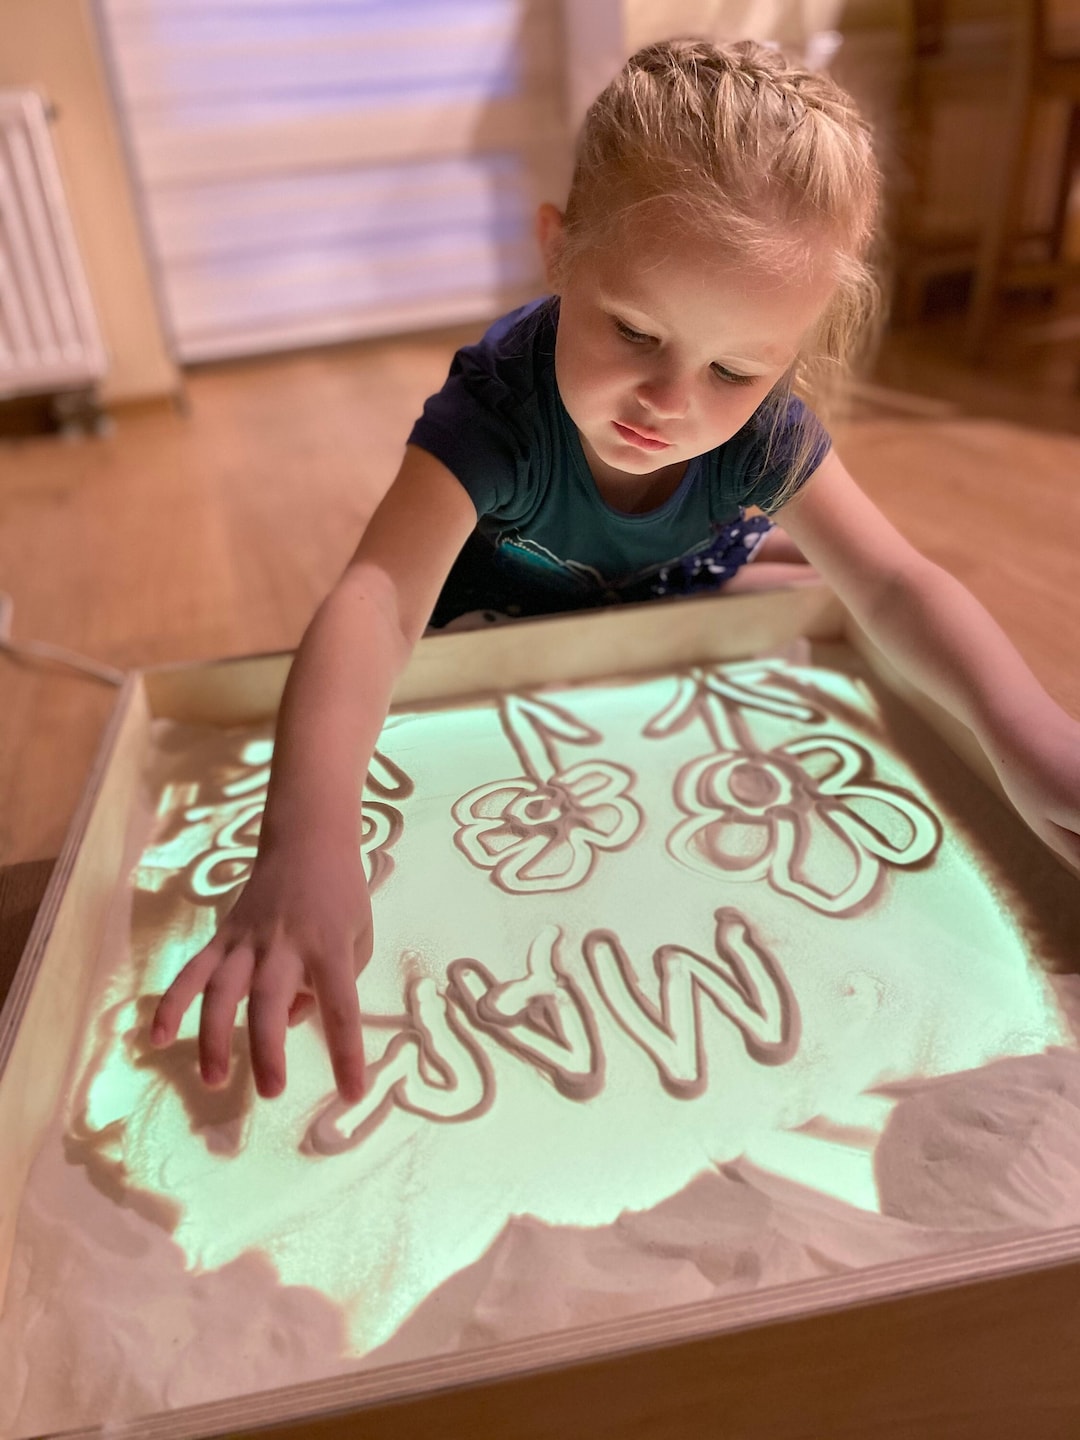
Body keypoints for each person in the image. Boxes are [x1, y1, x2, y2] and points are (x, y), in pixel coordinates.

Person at [150, 38, 1080, 1105]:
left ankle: (742, 548)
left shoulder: (762, 433)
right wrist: (306, 841)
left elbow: (897, 582)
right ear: (557, 252)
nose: (667, 401)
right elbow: (376, 598)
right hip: (501, 633)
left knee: (813, 587)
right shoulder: (498, 412)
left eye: (735, 367)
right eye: (632, 331)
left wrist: (1032, 736)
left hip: (664, 599)